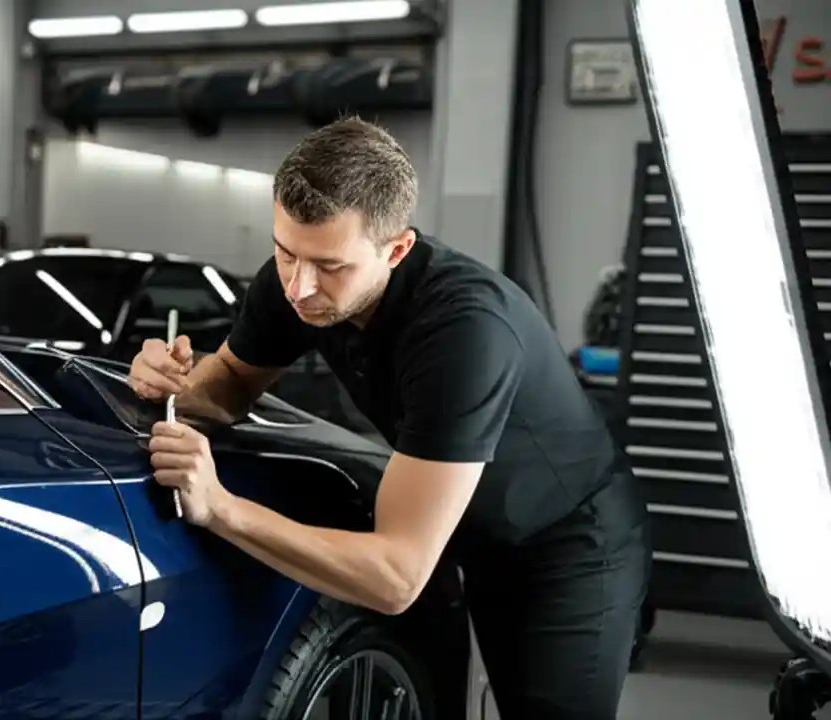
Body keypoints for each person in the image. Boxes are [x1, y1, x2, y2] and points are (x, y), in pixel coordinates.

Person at [127, 117, 651, 719]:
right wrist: (169, 382)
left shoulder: (465, 331)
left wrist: (221, 509)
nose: (299, 287)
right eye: (284, 251)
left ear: (396, 249)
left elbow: (396, 578)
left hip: (568, 541)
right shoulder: (297, 278)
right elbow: (231, 385)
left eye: (329, 266)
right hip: (469, 525)